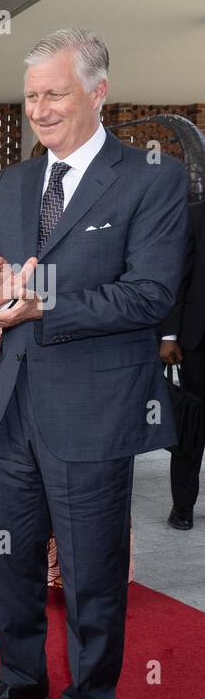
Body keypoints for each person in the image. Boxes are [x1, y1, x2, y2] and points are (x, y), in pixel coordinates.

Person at [0, 29, 188, 699]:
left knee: (91, 572)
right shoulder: (18, 181)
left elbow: (149, 294)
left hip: (93, 410)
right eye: (30, 95)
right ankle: (21, 678)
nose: (40, 108)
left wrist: (42, 305)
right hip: (13, 401)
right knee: (12, 557)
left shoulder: (153, 180)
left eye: (54, 92)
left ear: (97, 92)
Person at [161, 200, 205, 530]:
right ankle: (183, 506)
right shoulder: (195, 215)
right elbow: (178, 276)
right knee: (192, 423)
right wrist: (170, 335)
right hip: (198, 341)